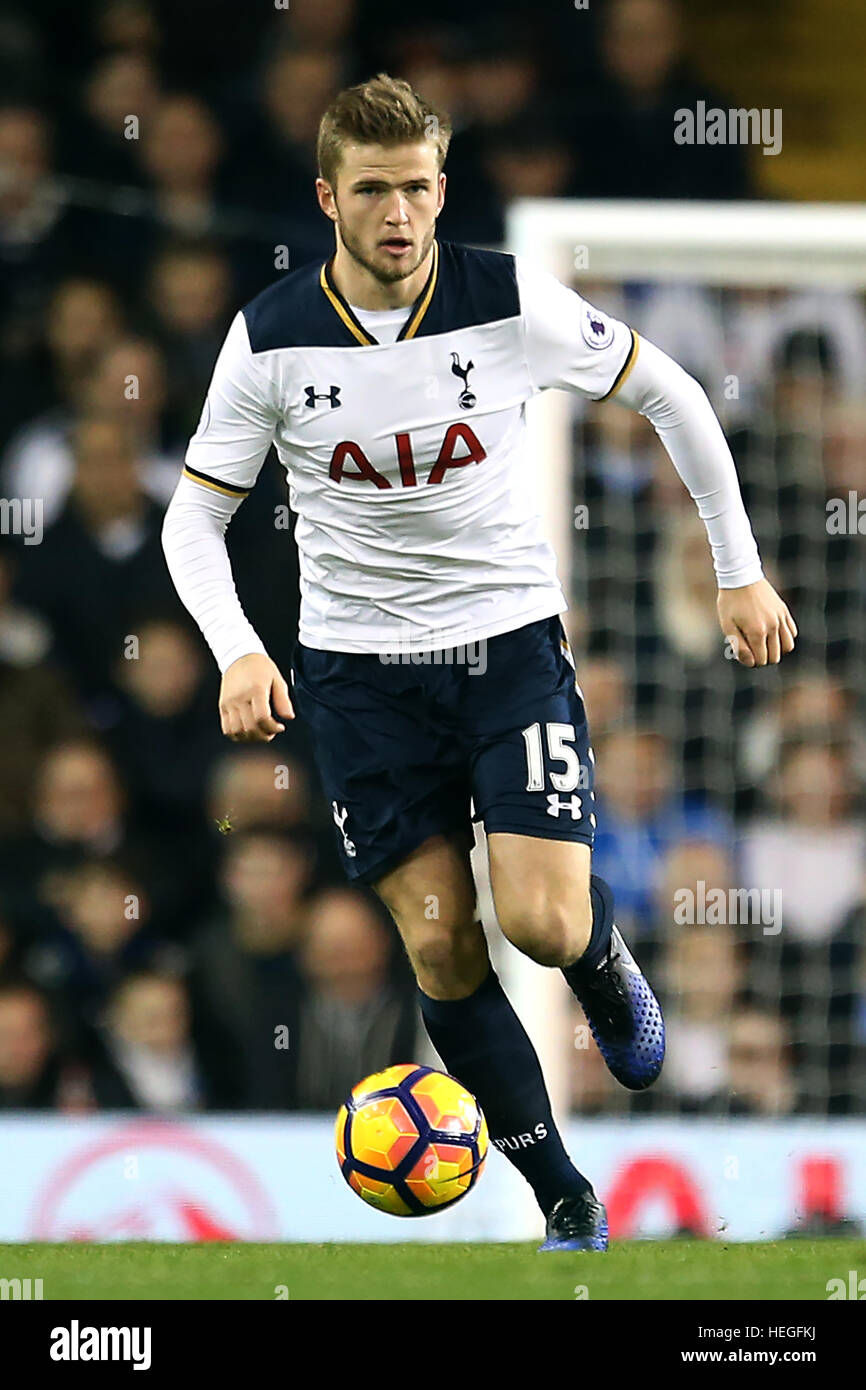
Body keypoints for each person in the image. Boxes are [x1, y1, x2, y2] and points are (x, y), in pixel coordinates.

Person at [162, 74, 797, 1252]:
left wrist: (737, 568)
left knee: (543, 924)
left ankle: (601, 958)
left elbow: (667, 392)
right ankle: (564, 1193)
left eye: (415, 187)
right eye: (371, 191)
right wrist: (239, 650)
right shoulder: (270, 339)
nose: (398, 213)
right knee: (443, 939)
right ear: (328, 197)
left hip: (503, 645)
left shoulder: (509, 299)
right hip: (356, 676)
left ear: (440, 188)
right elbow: (191, 517)